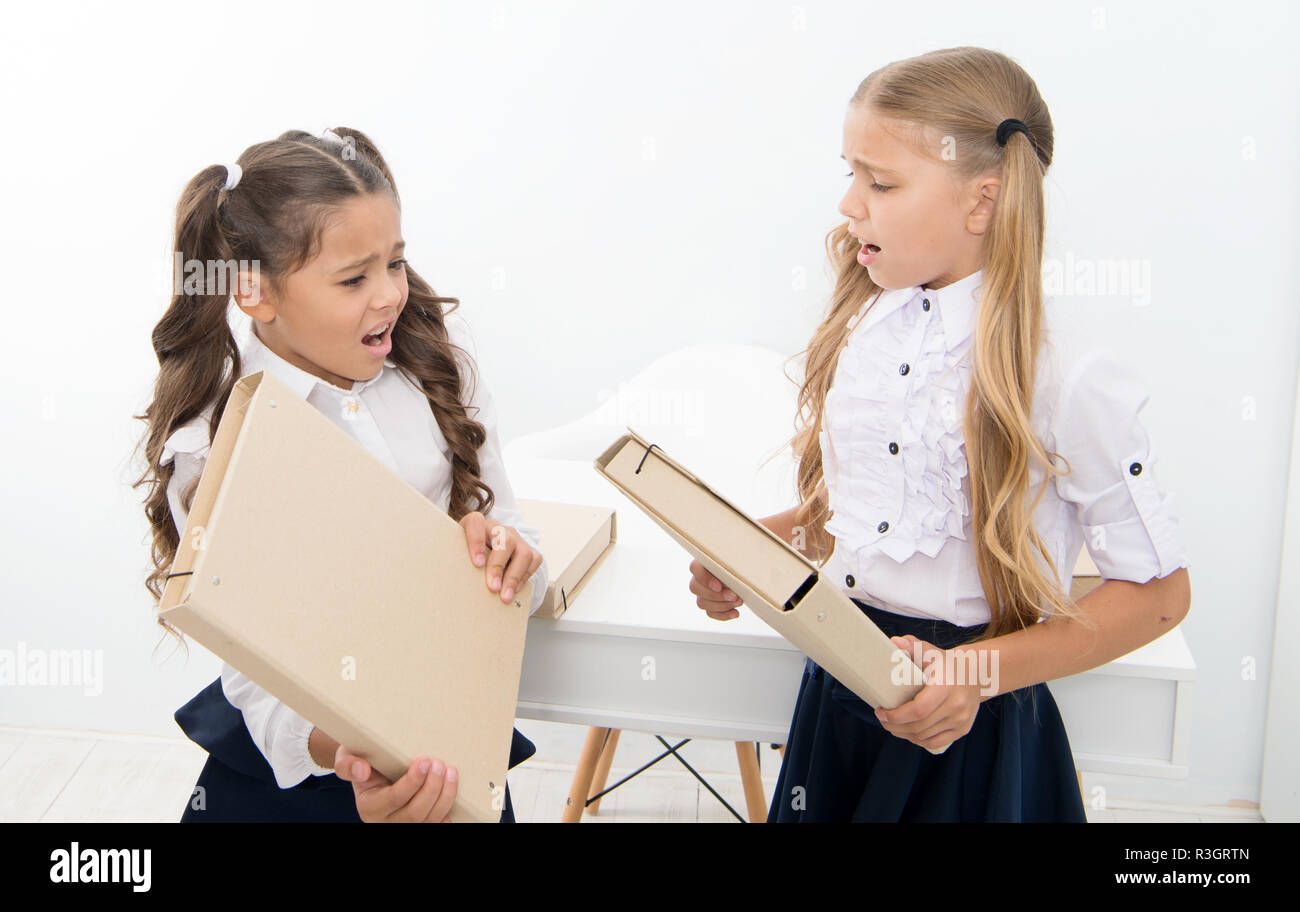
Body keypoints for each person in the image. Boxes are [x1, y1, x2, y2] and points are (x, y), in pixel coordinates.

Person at [688, 46, 1192, 822]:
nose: (850, 204)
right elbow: (871, 524)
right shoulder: (869, 322)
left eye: (880, 182)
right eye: (851, 172)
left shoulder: (1066, 374)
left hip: (972, 733)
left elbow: (1159, 596)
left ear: (981, 203)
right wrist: (758, 552)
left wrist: (974, 674)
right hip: (839, 701)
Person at [135, 127, 547, 822]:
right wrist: (354, 756)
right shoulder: (212, 444)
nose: (390, 295)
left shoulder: (435, 370)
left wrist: (510, 563)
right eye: (355, 278)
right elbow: (256, 680)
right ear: (255, 293)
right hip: (300, 778)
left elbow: (515, 545)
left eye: (396, 262)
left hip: (443, 756)